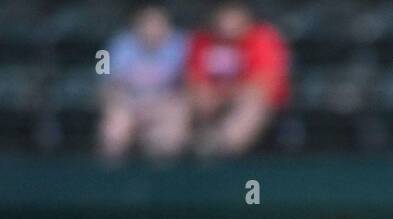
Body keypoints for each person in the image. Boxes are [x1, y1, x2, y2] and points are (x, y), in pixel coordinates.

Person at [185, 2, 290, 156]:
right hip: (210, 103)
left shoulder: (261, 37)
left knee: (250, 106)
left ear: (244, 17)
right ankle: (169, 153)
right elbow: (194, 78)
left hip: (255, 103)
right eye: (223, 16)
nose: (227, 22)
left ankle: (220, 148)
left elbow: (261, 86)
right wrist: (206, 96)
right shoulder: (203, 40)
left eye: (232, 16)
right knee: (177, 103)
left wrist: (224, 94)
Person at [98, 5, 190, 160]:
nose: (152, 29)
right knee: (114, 128)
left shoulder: (182, 45)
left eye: (157, 24)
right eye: (147, 24)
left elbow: (189, 85)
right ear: (137, 26)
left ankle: (164, 177)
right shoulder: (117, 45)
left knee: (171, 128)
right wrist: (126, 104)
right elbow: (105, 86)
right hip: (129, 104)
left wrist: (159, 105)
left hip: (166, 104)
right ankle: (111, 178)